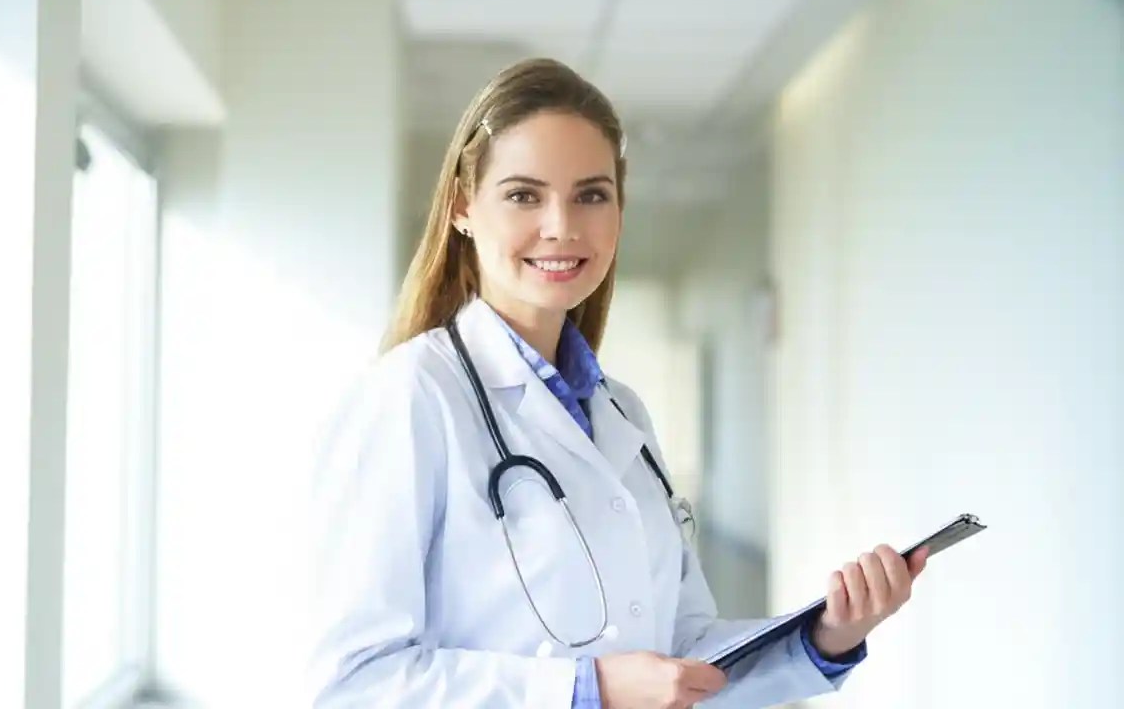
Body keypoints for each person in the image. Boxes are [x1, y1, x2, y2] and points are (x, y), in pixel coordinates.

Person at [305, 58, 929, 708]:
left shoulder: (619, 411)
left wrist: (825, 638)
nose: (562, 226)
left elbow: (680, 657)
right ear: (463, 207)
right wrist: (584, 690)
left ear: (619, 210)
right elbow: (351, 683)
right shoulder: (409, 397)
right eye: (524, 194)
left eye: (591, 194)